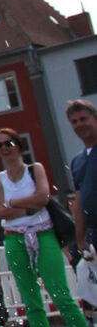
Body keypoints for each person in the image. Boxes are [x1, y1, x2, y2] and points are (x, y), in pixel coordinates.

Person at [0, 126, 84, 327]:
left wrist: (13, 203)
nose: (5, 148)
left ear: (19, 145)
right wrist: (29, 209)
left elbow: (43, 198)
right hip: (14, 238)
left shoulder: (34, 169)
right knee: (31, 301)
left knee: (60, 294)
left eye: (9, 143)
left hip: (43, 234)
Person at [67, 99, 97, 251]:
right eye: (74, 121)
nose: (79, 124)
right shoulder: (77, 161)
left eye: (84, 119)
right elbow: (79, 204)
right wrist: (80, 239)